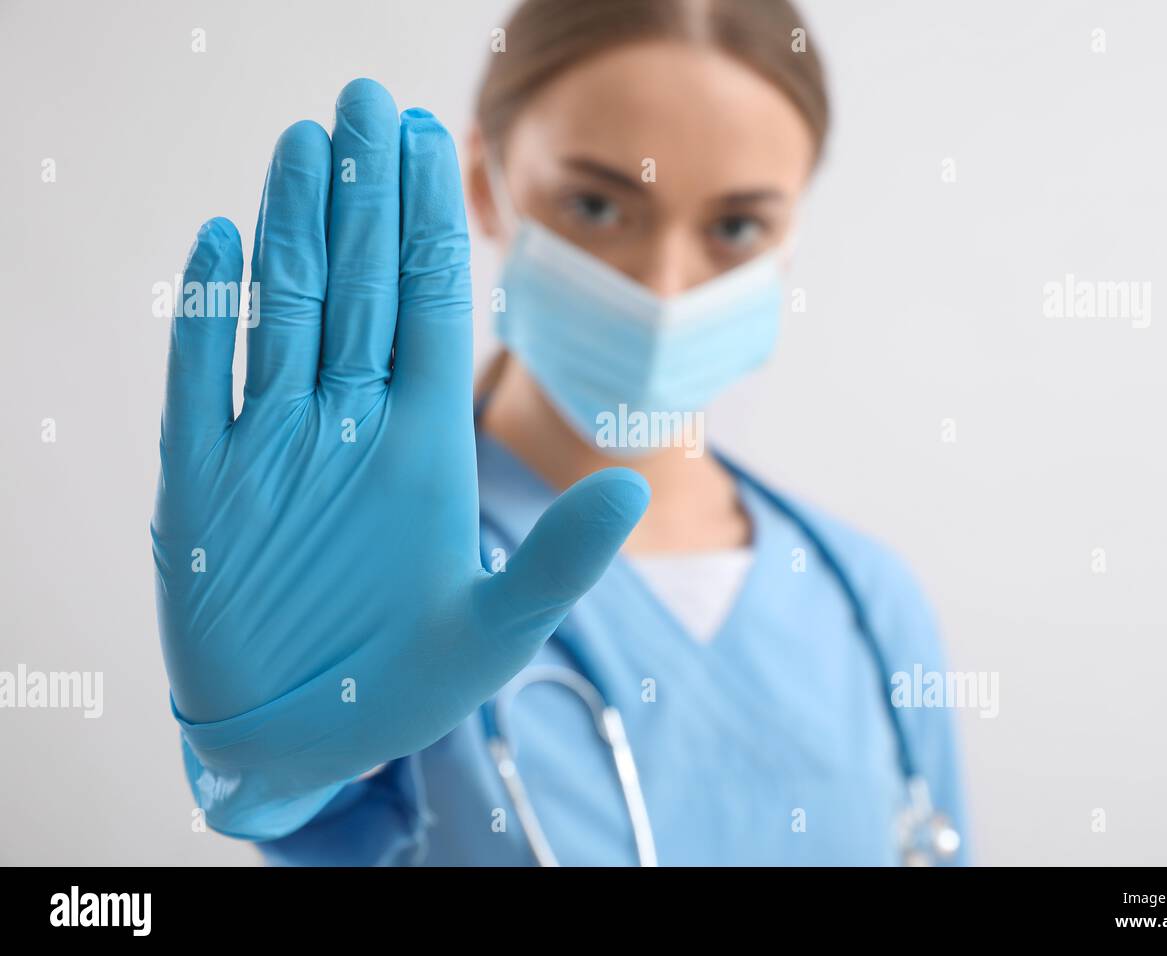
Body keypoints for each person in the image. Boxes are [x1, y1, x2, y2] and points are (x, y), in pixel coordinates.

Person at [153, 0, 969, 866]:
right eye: (598, 205)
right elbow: (288, 810)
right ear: (484, 186)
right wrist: (268, 763)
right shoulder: (354, 559)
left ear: (792, 236)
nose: (664, 287)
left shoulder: (870, 604)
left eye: (736, 227)